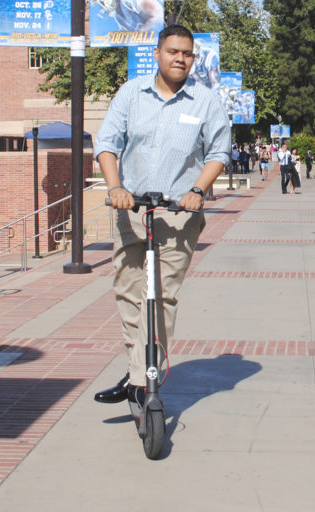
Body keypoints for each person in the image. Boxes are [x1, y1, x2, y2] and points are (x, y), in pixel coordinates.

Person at [92, 24, 230, 405]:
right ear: (157, 53)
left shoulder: (205, 100)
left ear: (193, 59)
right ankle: (140, 367)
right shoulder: (131, 94)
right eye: (173, 51)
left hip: (177, 214)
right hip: (131, 209)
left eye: (187, 53)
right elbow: (106, 142)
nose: (180, 59)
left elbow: (219, 151)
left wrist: (197, 191)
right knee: (129, 292)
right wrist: (115, 187)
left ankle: (140, 379)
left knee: (162, 295)